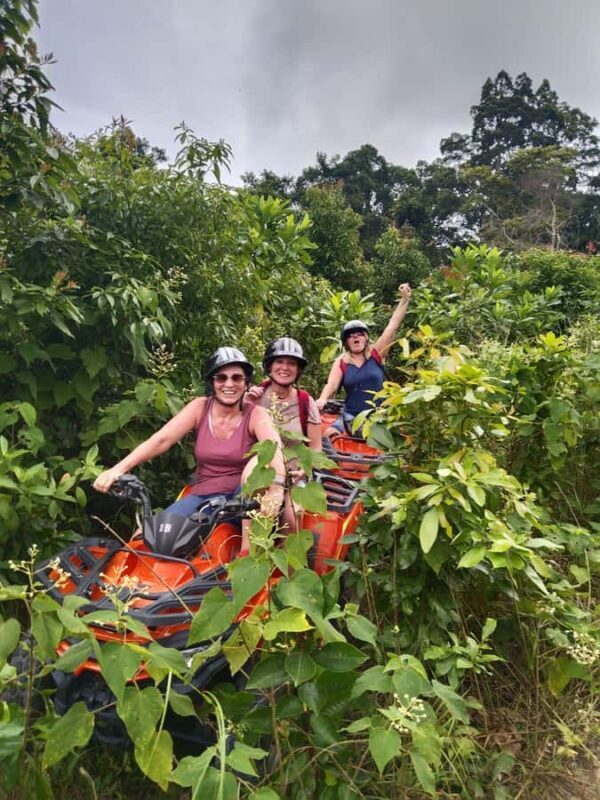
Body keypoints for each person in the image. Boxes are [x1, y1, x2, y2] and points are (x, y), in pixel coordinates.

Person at [93, 346, 285, 556]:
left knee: (257, 463)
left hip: (242, 499)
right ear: (212, 382)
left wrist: (276, 489)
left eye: (236, 378)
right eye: (221, 378)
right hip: (204, 497)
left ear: (246, 383)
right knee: (148, 536)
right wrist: (118, 469)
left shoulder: (256, 414)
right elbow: (161, 439)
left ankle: (249, 555)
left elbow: (273, 447)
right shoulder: (200, 407)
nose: (229, 384)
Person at [316, 283, 412, 437]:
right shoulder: (342, 362)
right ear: (346, 342)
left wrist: (404, 300)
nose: (355, 337)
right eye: (350, 335)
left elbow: (392, 326)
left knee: (392, 444)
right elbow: (332, 384)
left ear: (366, 338)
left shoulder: (377, 353)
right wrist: (322, 398)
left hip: (377, 417)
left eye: (359, 334)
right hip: (350, 417)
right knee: (328, 434)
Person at [246, 337, 321, 532]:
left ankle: (290, 562)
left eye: (291, 363)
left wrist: (305, 469)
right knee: (250, 514)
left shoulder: (306, 401)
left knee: (292, 516)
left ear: (298, 370)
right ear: (269, 366)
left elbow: (316, 448)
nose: (285, 367)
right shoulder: (256, 397)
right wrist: (245, 402)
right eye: (279, 361)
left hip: (293, 477)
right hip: (260, 472)